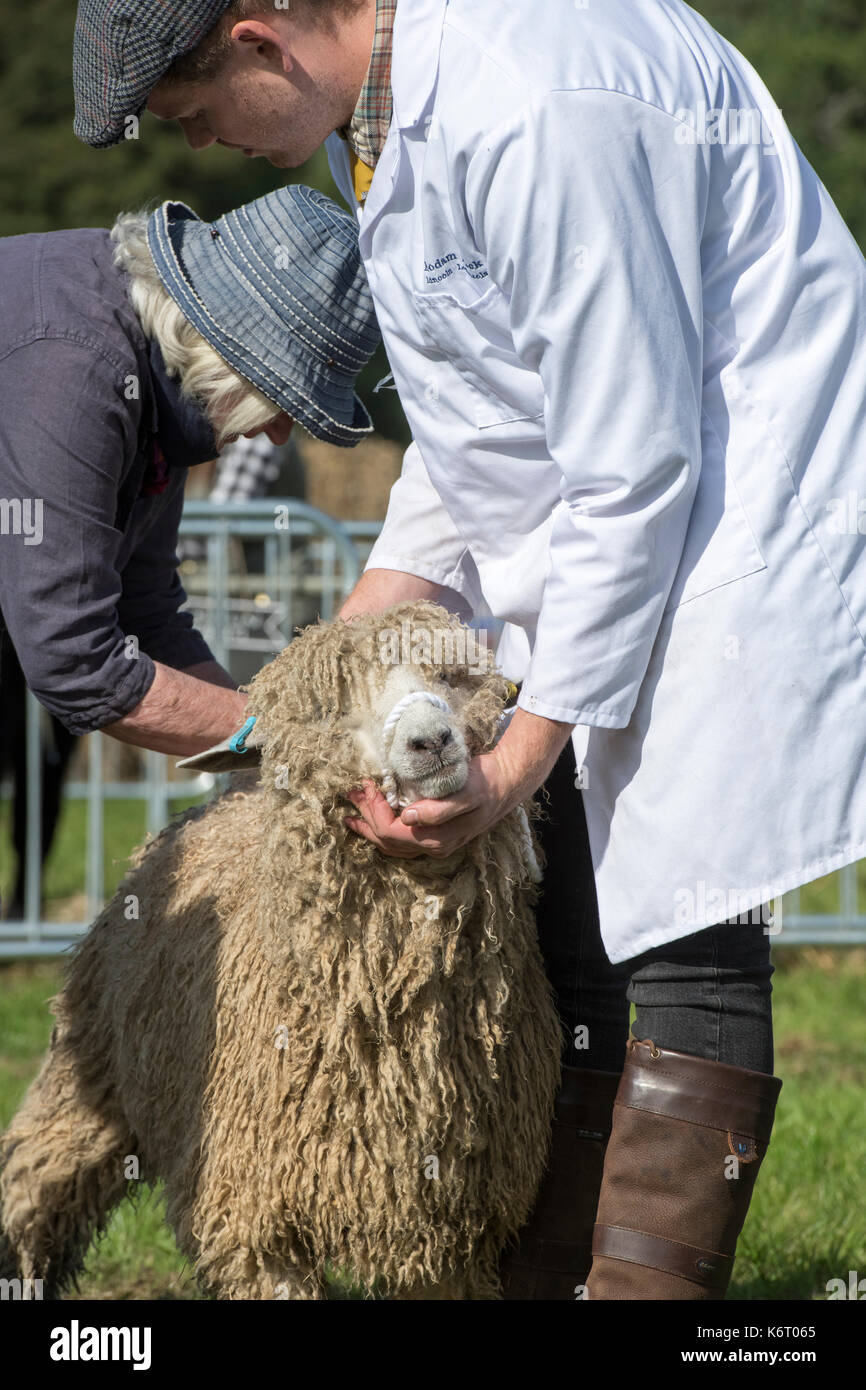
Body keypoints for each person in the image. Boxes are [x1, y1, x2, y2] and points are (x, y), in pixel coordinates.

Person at [71, 0, 866, 1299]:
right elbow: (467, 421)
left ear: (261, 39)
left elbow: (634, 461)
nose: (209, 143)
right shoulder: (373, 124)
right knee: (560, 914)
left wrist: (509, 764)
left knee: (677, 932)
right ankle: (546, 1277)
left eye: (196, 112)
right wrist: (367, 615)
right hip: (605, 527)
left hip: (727, 525)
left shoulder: (535, 93)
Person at [0, 182, 380, 758]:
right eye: (285, 400)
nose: (281, 432)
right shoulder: (78, 368)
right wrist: (306, 753)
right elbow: (76, 660)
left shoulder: (160, 376)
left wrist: (273, 734)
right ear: (228, 354)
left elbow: (145, 613)